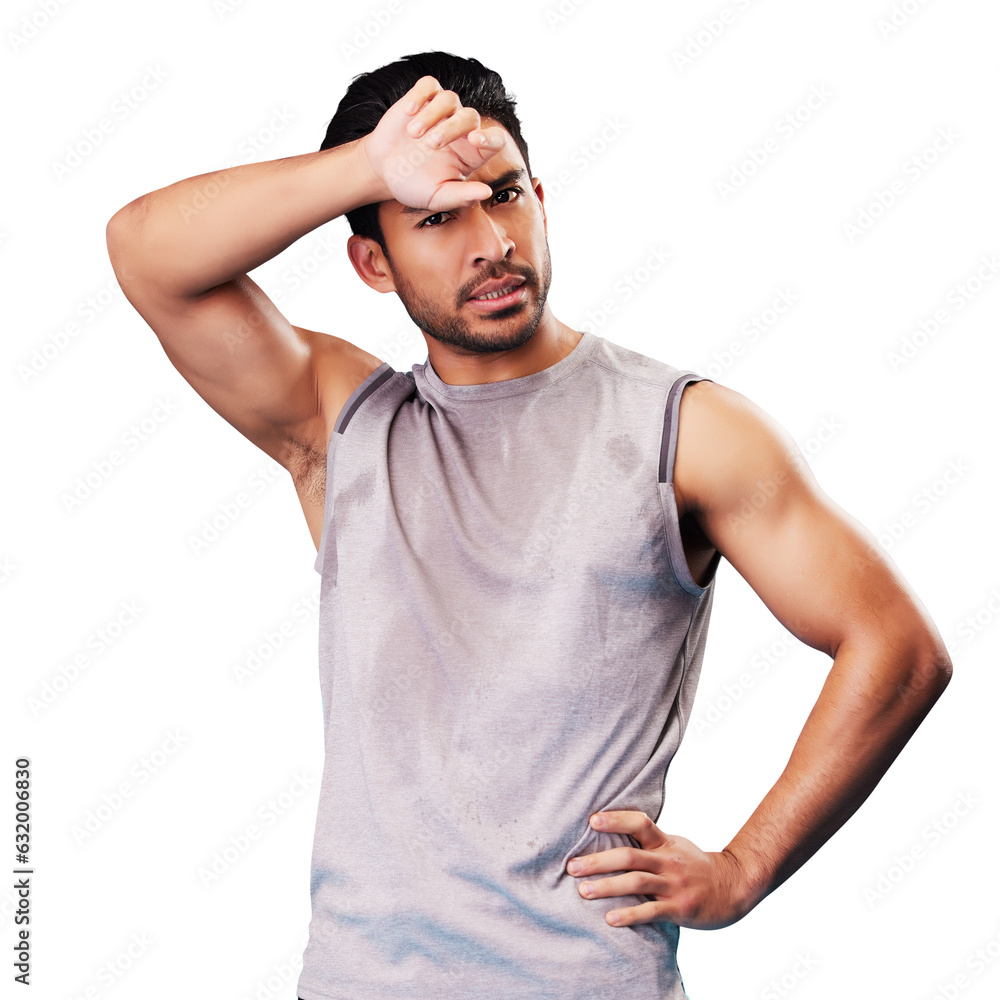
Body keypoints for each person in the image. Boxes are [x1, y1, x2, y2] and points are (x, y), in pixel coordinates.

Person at [105, 50, 952, 1000]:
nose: (490, 241)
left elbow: (897, 646)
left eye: (504, 197)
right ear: (371, 262)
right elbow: (145, 251)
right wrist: (367, 167)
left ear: (541, 200)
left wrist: (741, 869)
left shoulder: (688, 430)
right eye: (435, 215)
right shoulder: (340, 424)